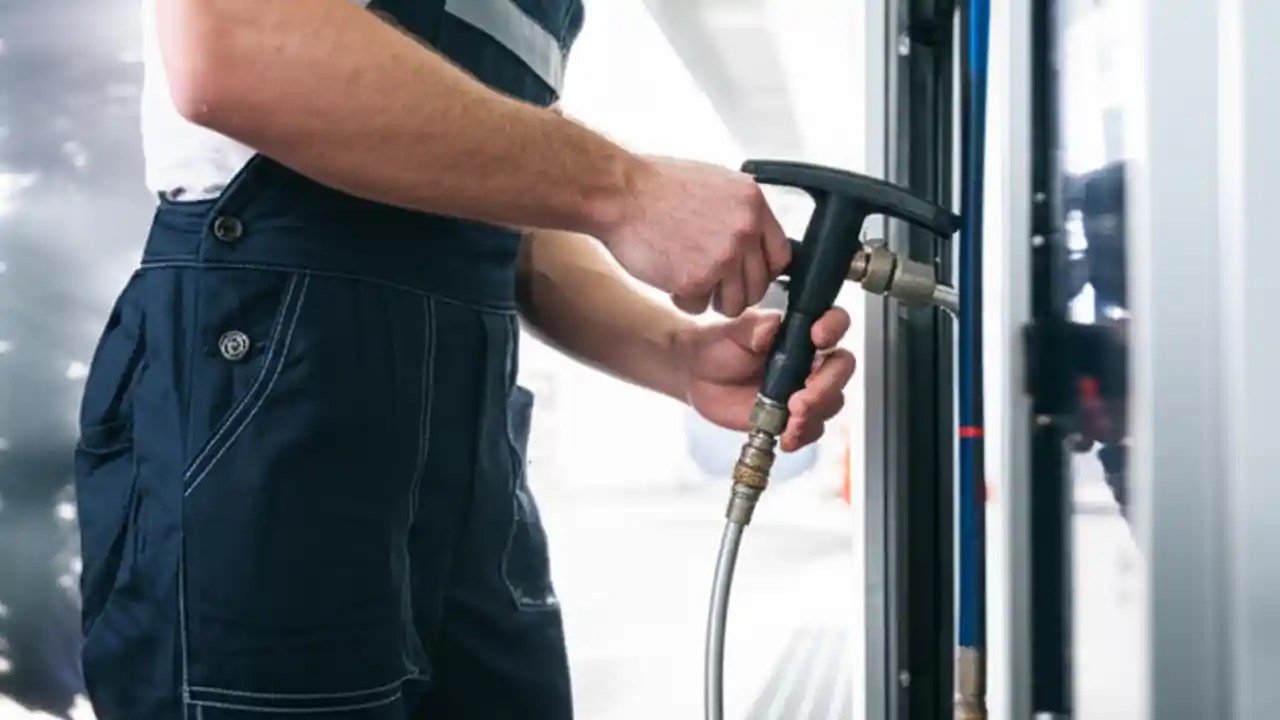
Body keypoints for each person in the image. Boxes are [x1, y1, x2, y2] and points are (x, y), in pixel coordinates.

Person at [73, 1, 858, 718]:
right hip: (271, 372)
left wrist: (677, 355)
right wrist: (626, 189)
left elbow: (501, 221)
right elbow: (237, 44)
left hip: (462, 415)